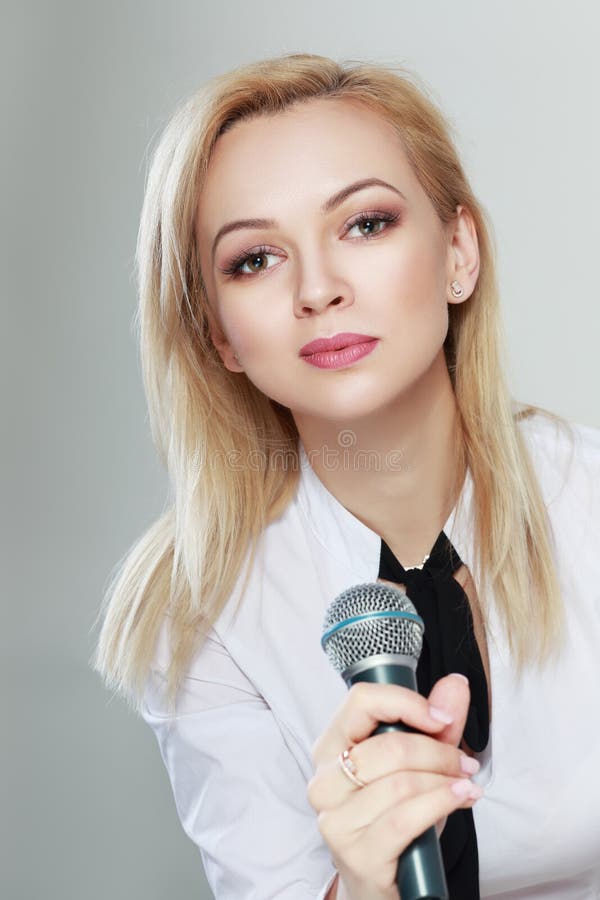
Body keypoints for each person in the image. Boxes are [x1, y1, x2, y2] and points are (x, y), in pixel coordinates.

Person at [91, 52, 600, 899]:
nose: (318, 289)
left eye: (365, 224)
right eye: (254, 259)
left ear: (458, 254)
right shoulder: (199, 612)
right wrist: (361, 886)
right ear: (220, 335)